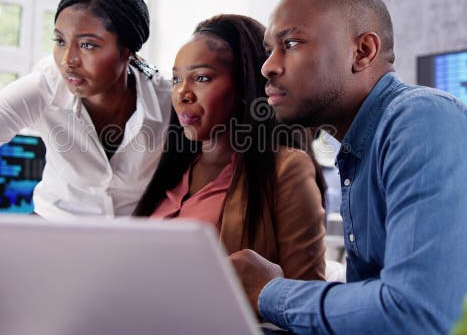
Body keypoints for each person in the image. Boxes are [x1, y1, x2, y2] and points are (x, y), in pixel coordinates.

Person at [229, 0, 467, 334]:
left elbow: (415, 312)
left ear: (363, 51)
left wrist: (268, 292)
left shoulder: (423, 118)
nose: (268, 66)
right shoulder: (359, 151)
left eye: (292, 43)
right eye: (270, 49)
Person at [0, 0, 172, 219]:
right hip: (51, 229)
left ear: (127, 50)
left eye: (87, 45)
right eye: (60, 41)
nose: (67, 60)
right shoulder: (42, 88)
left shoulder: (169, 98)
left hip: (131, 241)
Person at [133, 14, 327, 280]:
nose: (182, 94)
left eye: (201, 78)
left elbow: (306, 295)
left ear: (245, 86)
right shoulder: (174, 165)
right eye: (177, 79)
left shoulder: (286, 168)